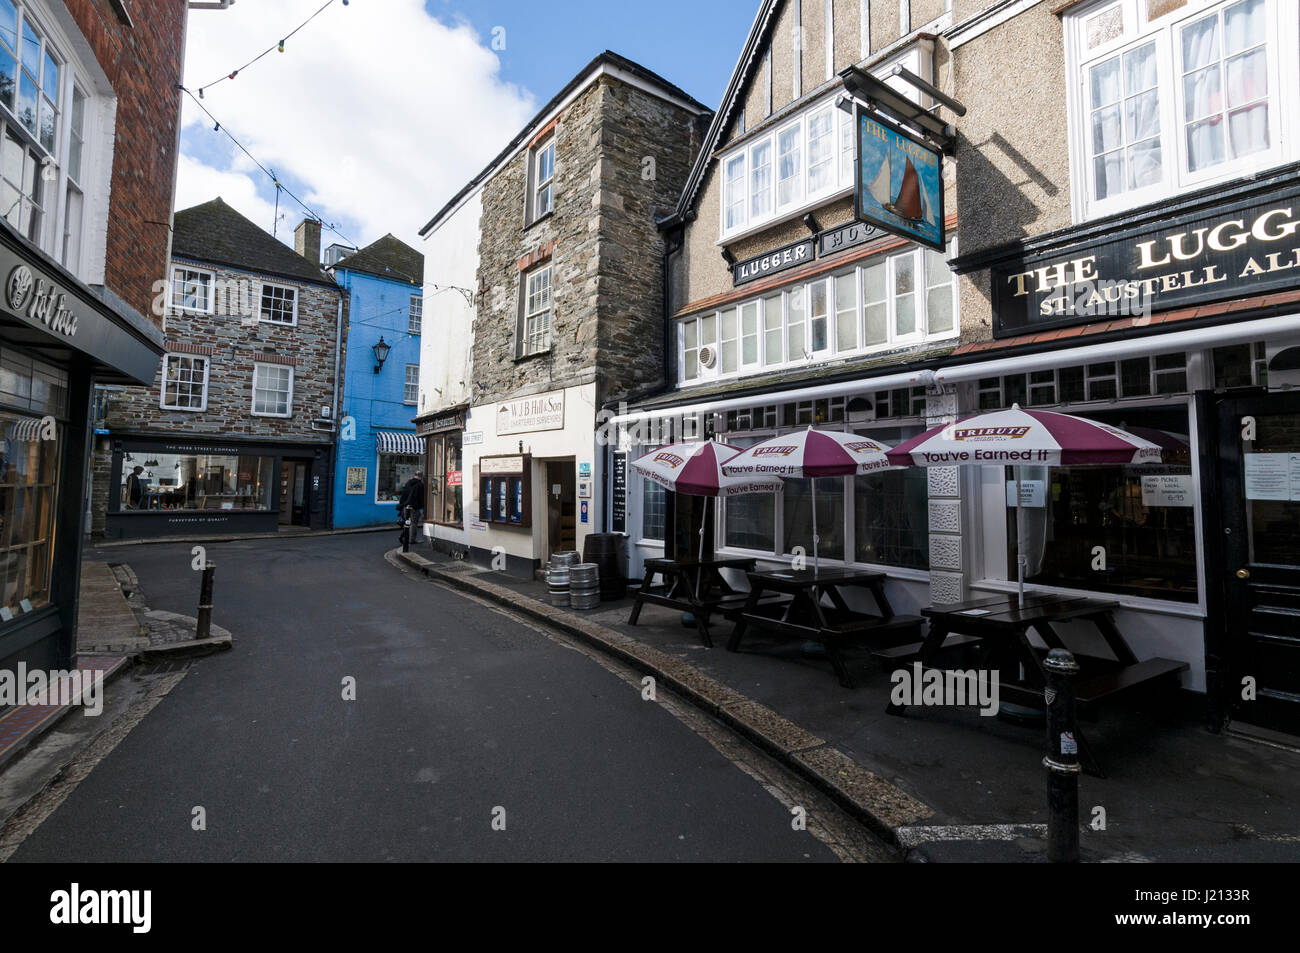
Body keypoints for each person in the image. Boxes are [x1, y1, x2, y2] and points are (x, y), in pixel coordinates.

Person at [397, 470, 426, 547]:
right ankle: (411, 540)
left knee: (407, 523)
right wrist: (424, 508)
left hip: (406, 506)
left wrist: (402, 505)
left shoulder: (408, 483)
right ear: (421, 477)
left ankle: (404, 537)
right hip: (414, 507)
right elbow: (421, 497)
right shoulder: (420, 485)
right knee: (413, 523)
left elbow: (403, 495)